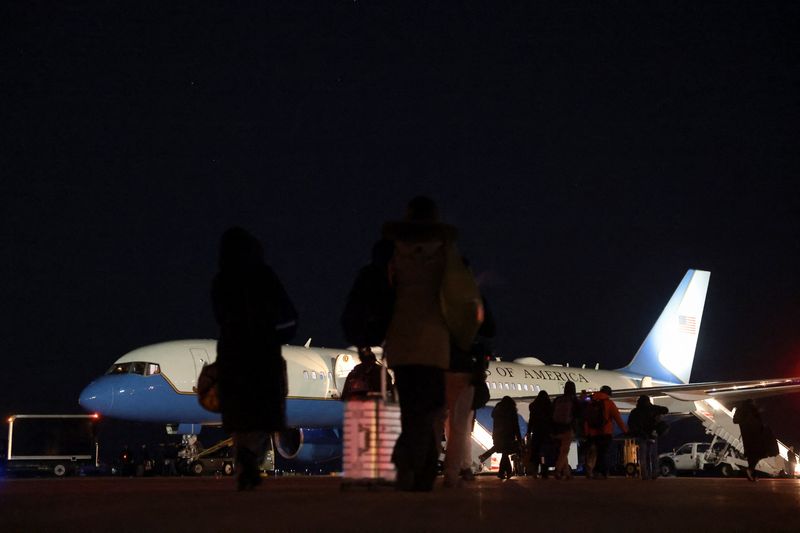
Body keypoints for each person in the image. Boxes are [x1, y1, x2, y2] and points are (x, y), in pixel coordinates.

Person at [382, 196, 460, 492]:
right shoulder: (446, 255)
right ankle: (414, 465)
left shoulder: (394, 257)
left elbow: (384, 297)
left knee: (412, 409)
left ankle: (416, 468)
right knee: (430, 409)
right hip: (434, 343)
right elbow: (458, 295)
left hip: (401, 343)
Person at [212, 227, 298, 491]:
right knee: (262, 410)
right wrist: (276, 336)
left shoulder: (221, 280)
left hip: (232, 351)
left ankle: (244, 458)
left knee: (239, 410)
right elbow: (288, 314)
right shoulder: (264, 275)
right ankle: (251, 457)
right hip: (262, 352)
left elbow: (220, 316)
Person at [443, 295, 495, 487]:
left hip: (442, 370)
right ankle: (457, 469)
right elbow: (490, 330)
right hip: (463, 373)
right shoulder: (471, 310)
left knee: (449, 425)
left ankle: (457, 466)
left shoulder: (443, 305)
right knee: (461, 426)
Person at [584, 385, 627, 479]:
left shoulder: (590, 402)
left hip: (592, 433)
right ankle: (601, 472)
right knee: (603, 453)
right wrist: (625, 431)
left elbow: (586, 419)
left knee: (592, 453)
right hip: (605, 432)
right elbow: (618, 419)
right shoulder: (609, 403)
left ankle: (591, 471)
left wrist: (587, 432)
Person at [627, 395, 669, 480]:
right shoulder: (653, 408)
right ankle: (654, 472)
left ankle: (645, 474)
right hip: (652, 434)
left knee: (643, 456)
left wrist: (636, 432)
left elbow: (630, 424)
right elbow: (665, 410)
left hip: (641, 435)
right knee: (653, 454)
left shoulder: (635, 412)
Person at [551, 381, 582, 480]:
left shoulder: (558, 399)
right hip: (567, 428)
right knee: (565, 450)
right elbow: (578, 414)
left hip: (556, 428)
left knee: (563, 450)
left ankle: (567, 472)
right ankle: (557, 470)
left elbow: (552, 413)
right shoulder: (573, 400)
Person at [733, 399, 767, 482]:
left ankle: (751, 472)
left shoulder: (742, 409)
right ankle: (751, 472)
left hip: (750, 434)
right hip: (752, 434)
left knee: (753, 453)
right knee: (756, 453)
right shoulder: (750, 409)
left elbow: (735, 420)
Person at [528, 390, 553, 479]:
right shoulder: (549, 406)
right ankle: (544, 471)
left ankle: (534, 472)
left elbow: (531, 420)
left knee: (535, 454)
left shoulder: (533, 407)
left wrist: (528, 431)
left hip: (536, 433)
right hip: (546, 434)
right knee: (544, 454)